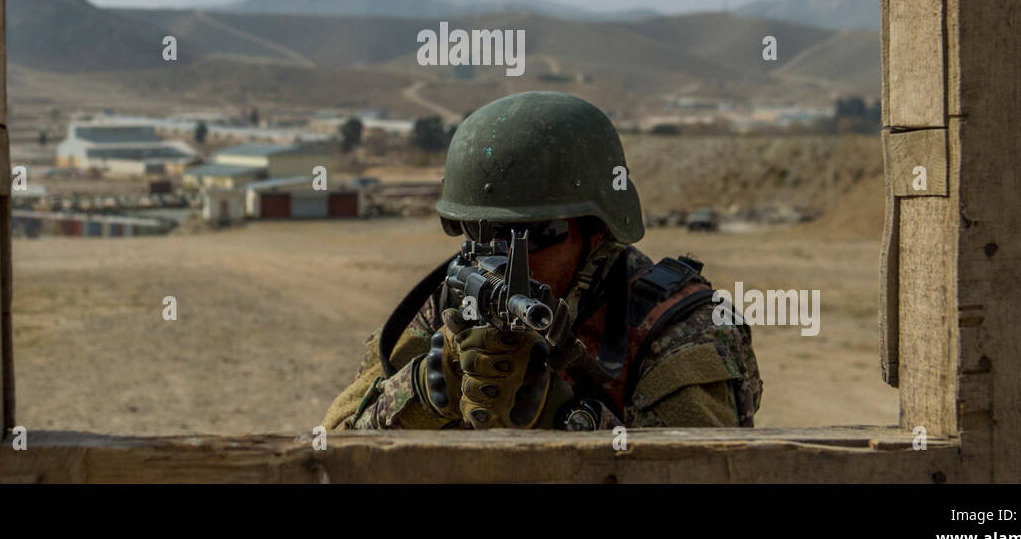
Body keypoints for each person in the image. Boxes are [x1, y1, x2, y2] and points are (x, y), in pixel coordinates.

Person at [324, 91, 761, 431]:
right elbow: (332, 448)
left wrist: (569, 418)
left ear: (600, 231)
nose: (500, 259)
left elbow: (699, 468)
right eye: (480, 232)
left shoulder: (679, 330)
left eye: (532, 235)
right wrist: (419, 394)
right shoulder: (450, 307)